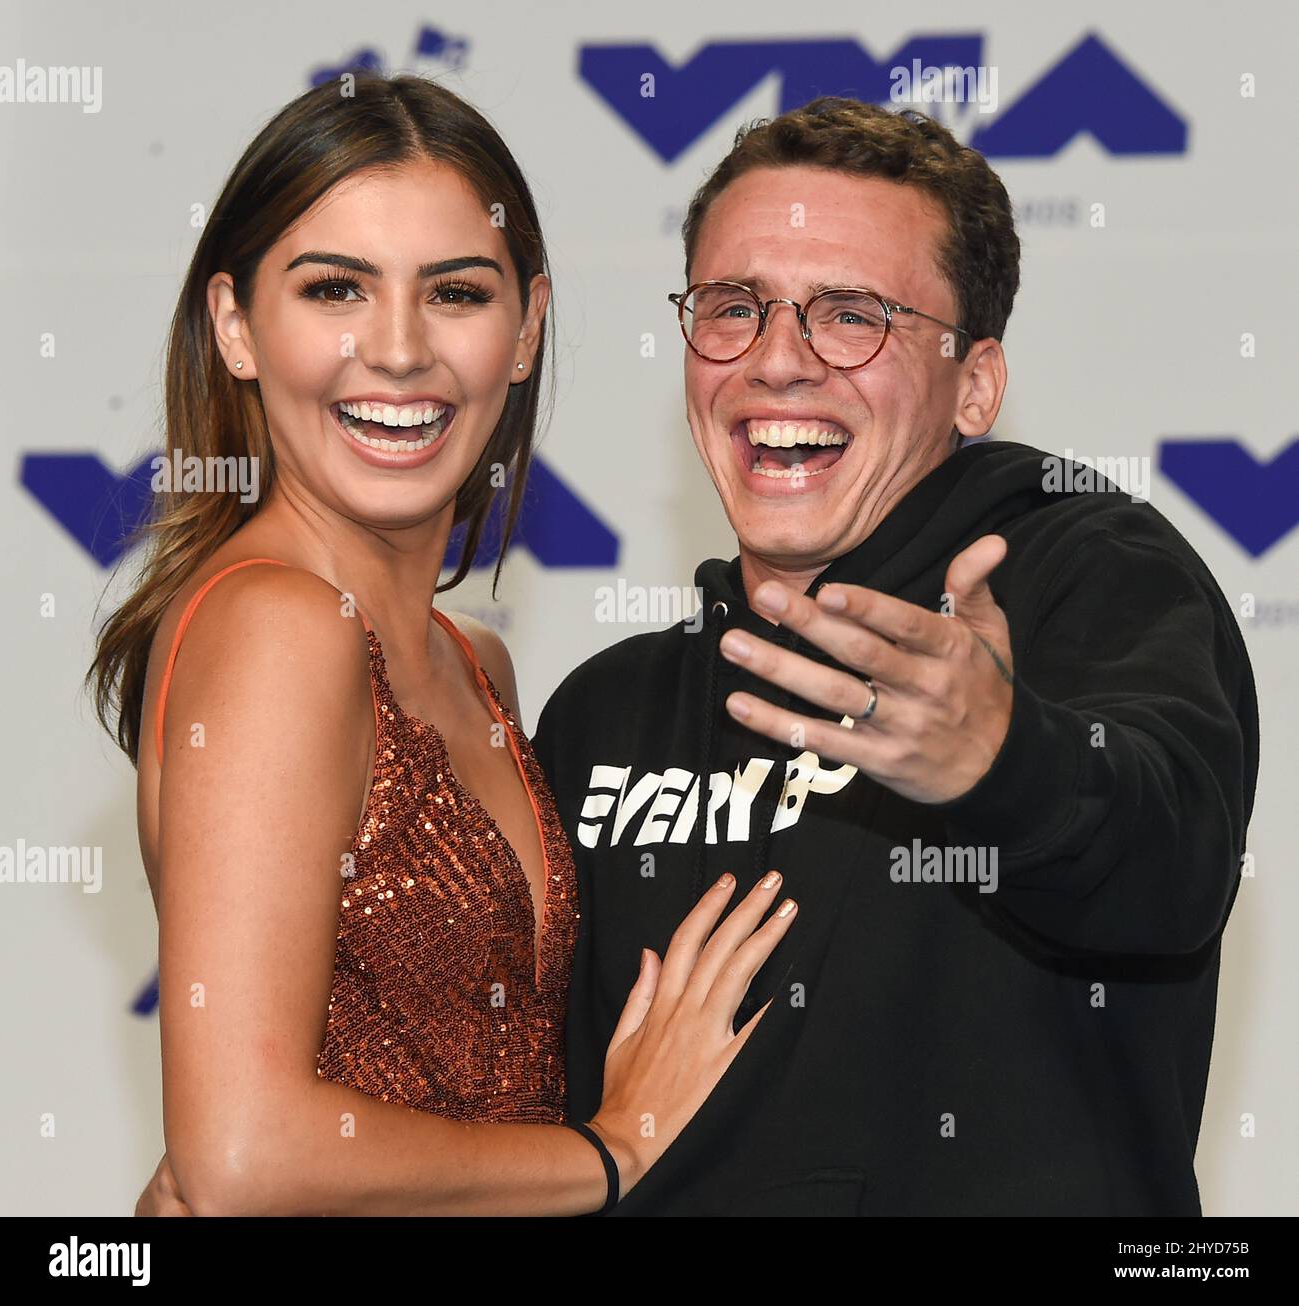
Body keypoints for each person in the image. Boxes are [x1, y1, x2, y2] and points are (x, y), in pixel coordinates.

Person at [533, 98, 1259, 1215]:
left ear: (974, 381)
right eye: (732, 308)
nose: (777, 361)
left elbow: (1175, 871)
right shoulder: (605, 712)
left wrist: (1005, 759)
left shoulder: (1077, 574)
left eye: (851, 315)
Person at [90, 73, 796, 1217]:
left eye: (456, 294)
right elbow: (243, 1156)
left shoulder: (475, 665)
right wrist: (610, 1151)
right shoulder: (279, 627)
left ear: (524, 332)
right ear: (235, 326)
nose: (401, 351)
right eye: (336, 289)